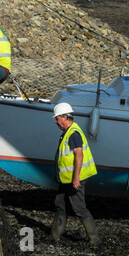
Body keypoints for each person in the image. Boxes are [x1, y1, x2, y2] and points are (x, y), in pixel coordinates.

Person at [51, 102, 99, 246]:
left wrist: (76, 179)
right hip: (65, 180)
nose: (55, 121)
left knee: (79, 208)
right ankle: (54, 236)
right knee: (60, 204)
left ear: (65, 117)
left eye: (57, 118)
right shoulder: (68, 133)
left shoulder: (74, 134)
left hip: (74, 179)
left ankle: (95, 240)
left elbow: (79, 155)